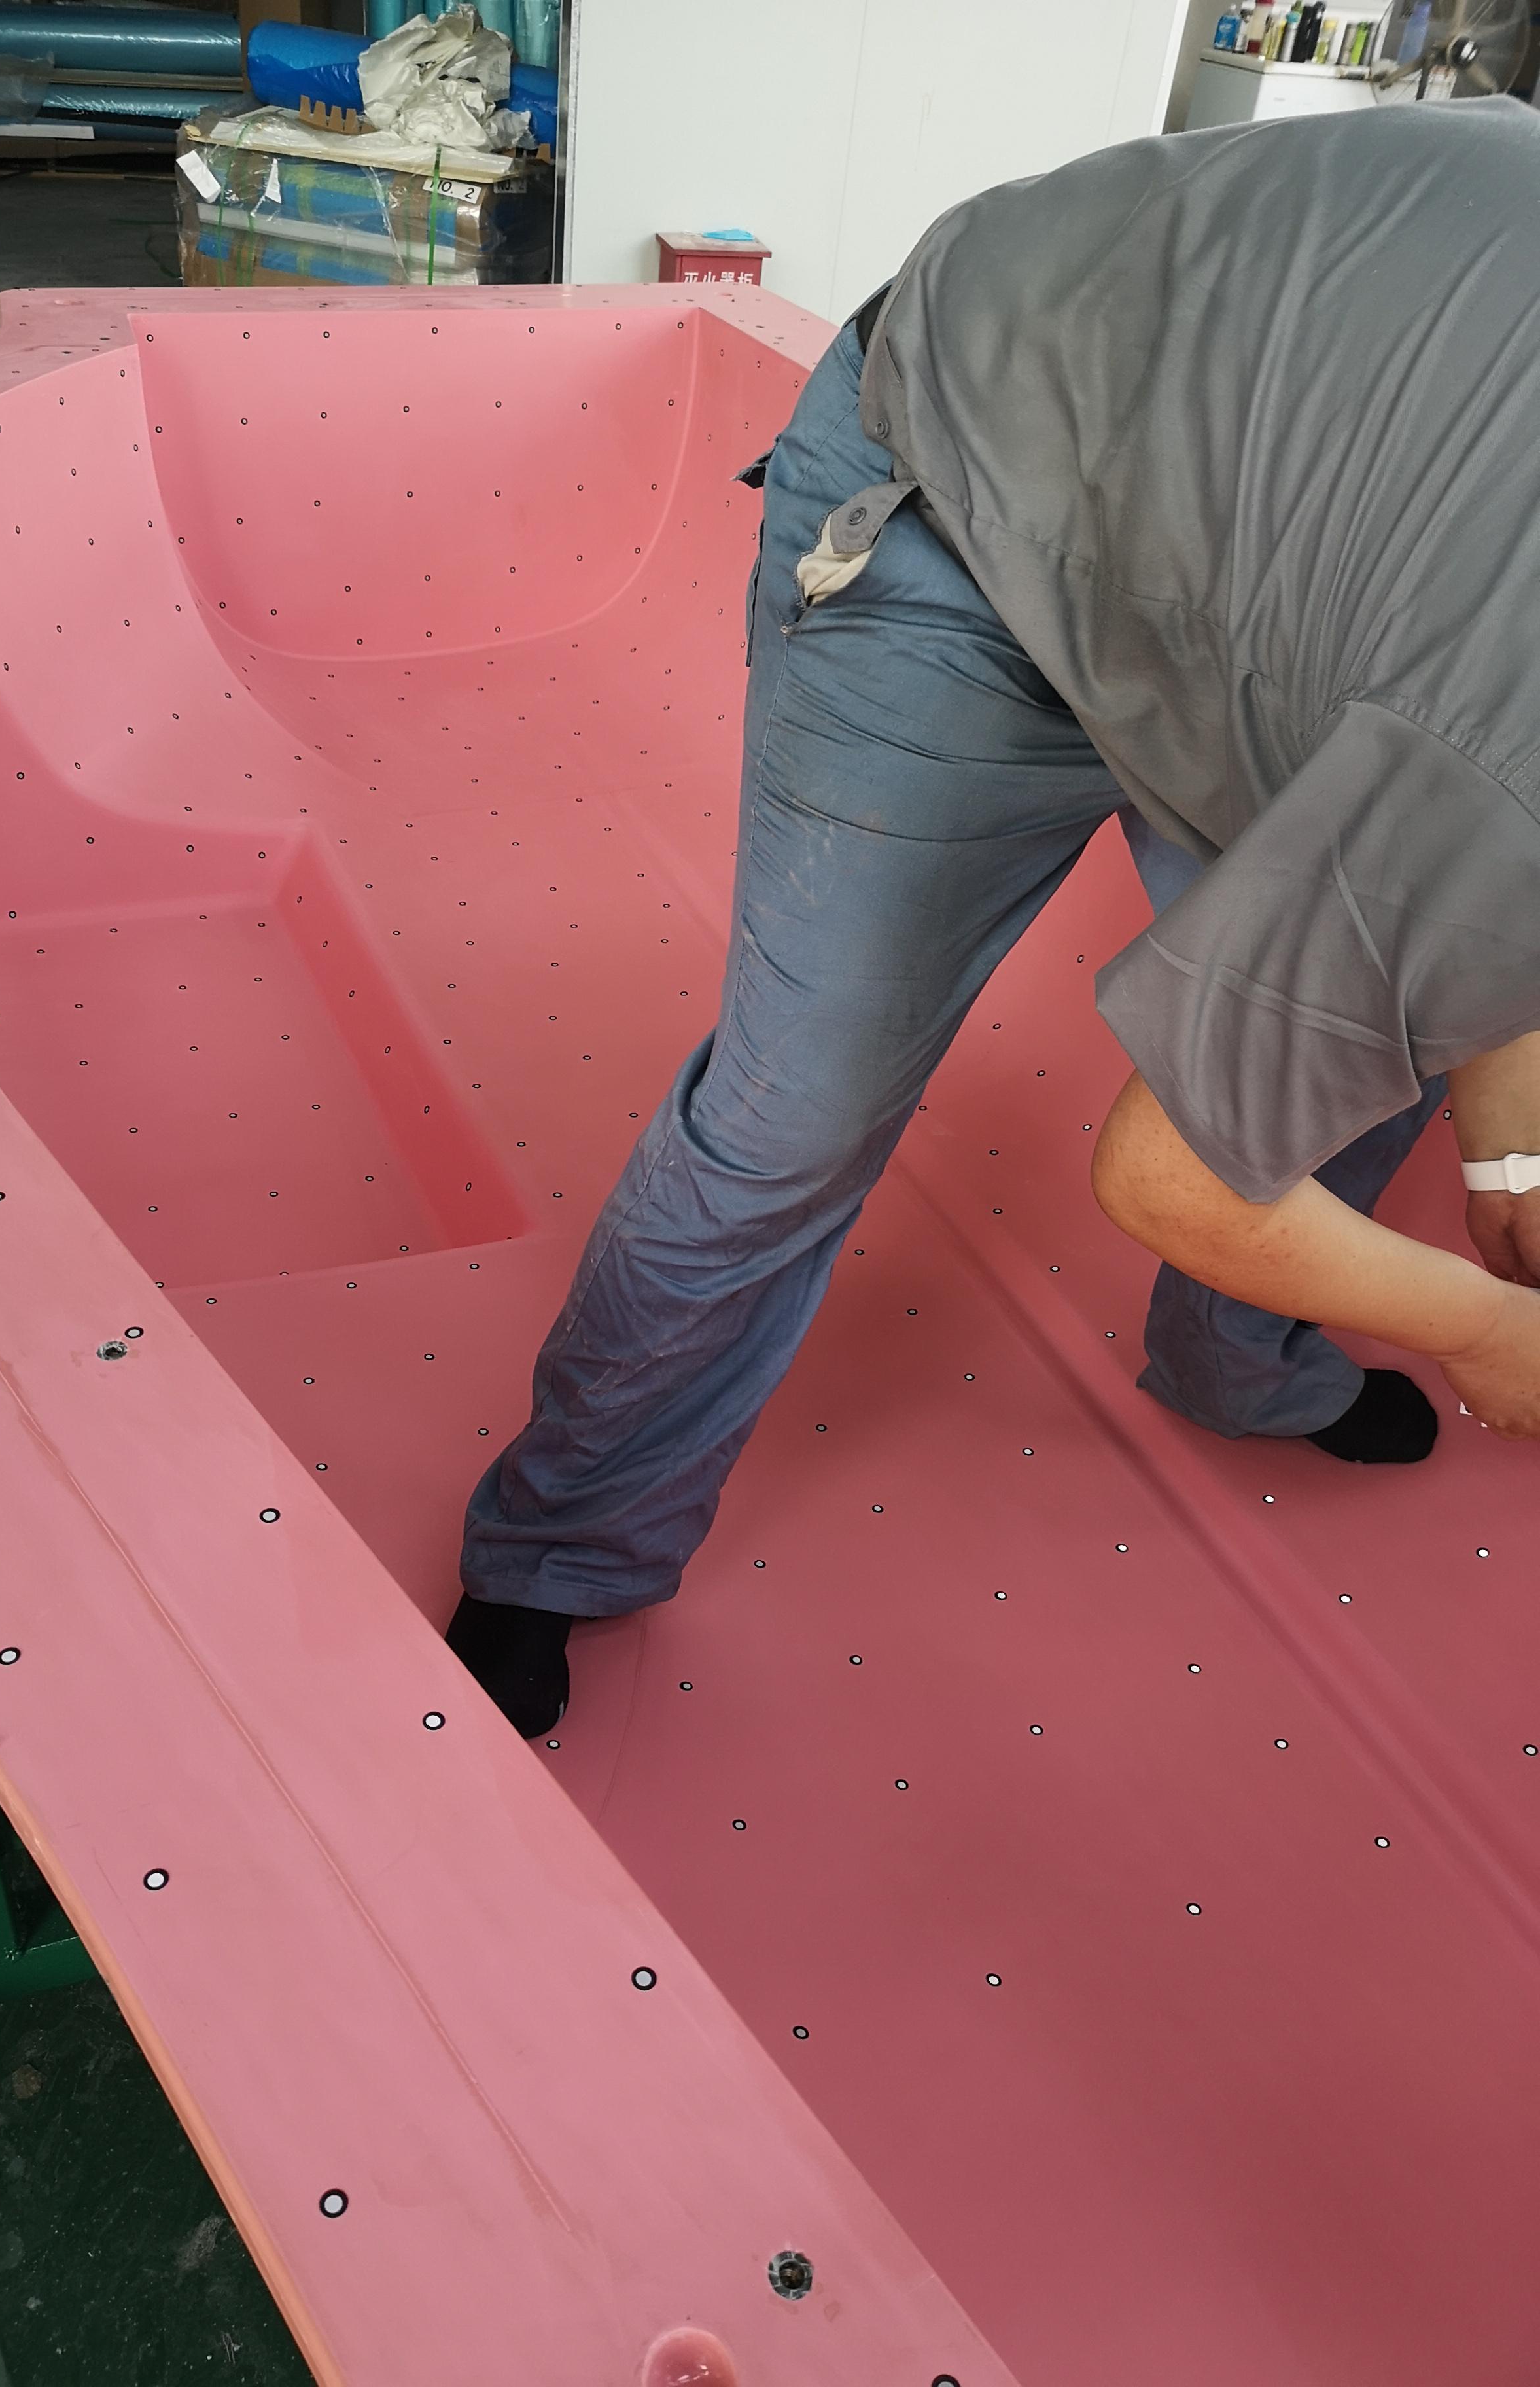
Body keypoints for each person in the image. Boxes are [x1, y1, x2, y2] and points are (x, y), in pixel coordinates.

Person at [448, 99, 1540, 1739]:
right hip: (960, 494)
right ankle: (560, 1542)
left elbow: (1486, 921)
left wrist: (1510, 1170)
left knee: (1384, 1022)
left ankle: (1242, 1366)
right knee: (796, 1111)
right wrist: (1485, 1326)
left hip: (1274, 579)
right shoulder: (1507, 758)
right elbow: (1164, 1173)